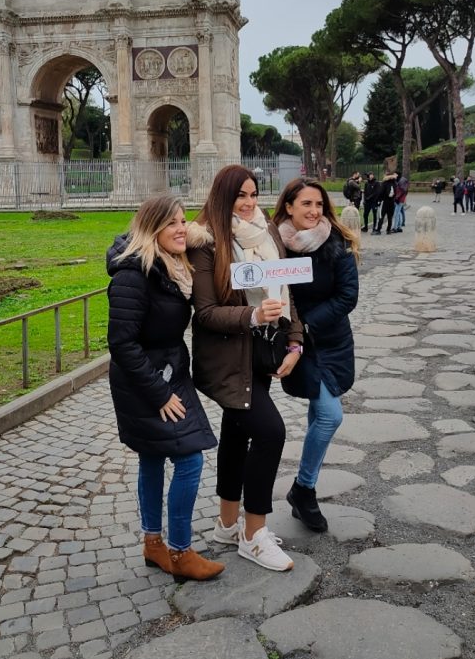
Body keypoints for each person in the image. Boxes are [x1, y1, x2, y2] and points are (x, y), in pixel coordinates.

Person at [187, 165, 303, 572]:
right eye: (240, 196)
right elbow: (204, 313)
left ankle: (225, 523)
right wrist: (252, 316)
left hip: (266, 350)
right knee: (271, 433)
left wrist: (295, 340)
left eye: (253, 194)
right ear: (222, 197)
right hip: (228, 357)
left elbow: (286, 288)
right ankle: (253, 536)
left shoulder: (266, 230)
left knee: (237, 433)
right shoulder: (204, 241)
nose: (249, 203)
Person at [106, 196, 224, 583]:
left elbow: (213, 231)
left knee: (153, 458)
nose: (181, 229)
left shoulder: (173, 267)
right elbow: (122, 344)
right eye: (170, 223)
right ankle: (180, 551)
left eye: (182, 221)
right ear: (151, 228)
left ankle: (153, 544)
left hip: (171, 371)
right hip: (146, 381)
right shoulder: (133, 274)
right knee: (189, 460)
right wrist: (159, 393)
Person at [273, 178, 359, 532]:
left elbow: (347, 296)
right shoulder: (273, 246)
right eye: (306, 204)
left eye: (319, 205)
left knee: (321, 414)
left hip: (331, 340)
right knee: (329, 416)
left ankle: (302, 489)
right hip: (296, 344)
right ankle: (304, 490)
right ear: (289, 206)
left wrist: (307, 324)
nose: (313, 211)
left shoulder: (335, 243)